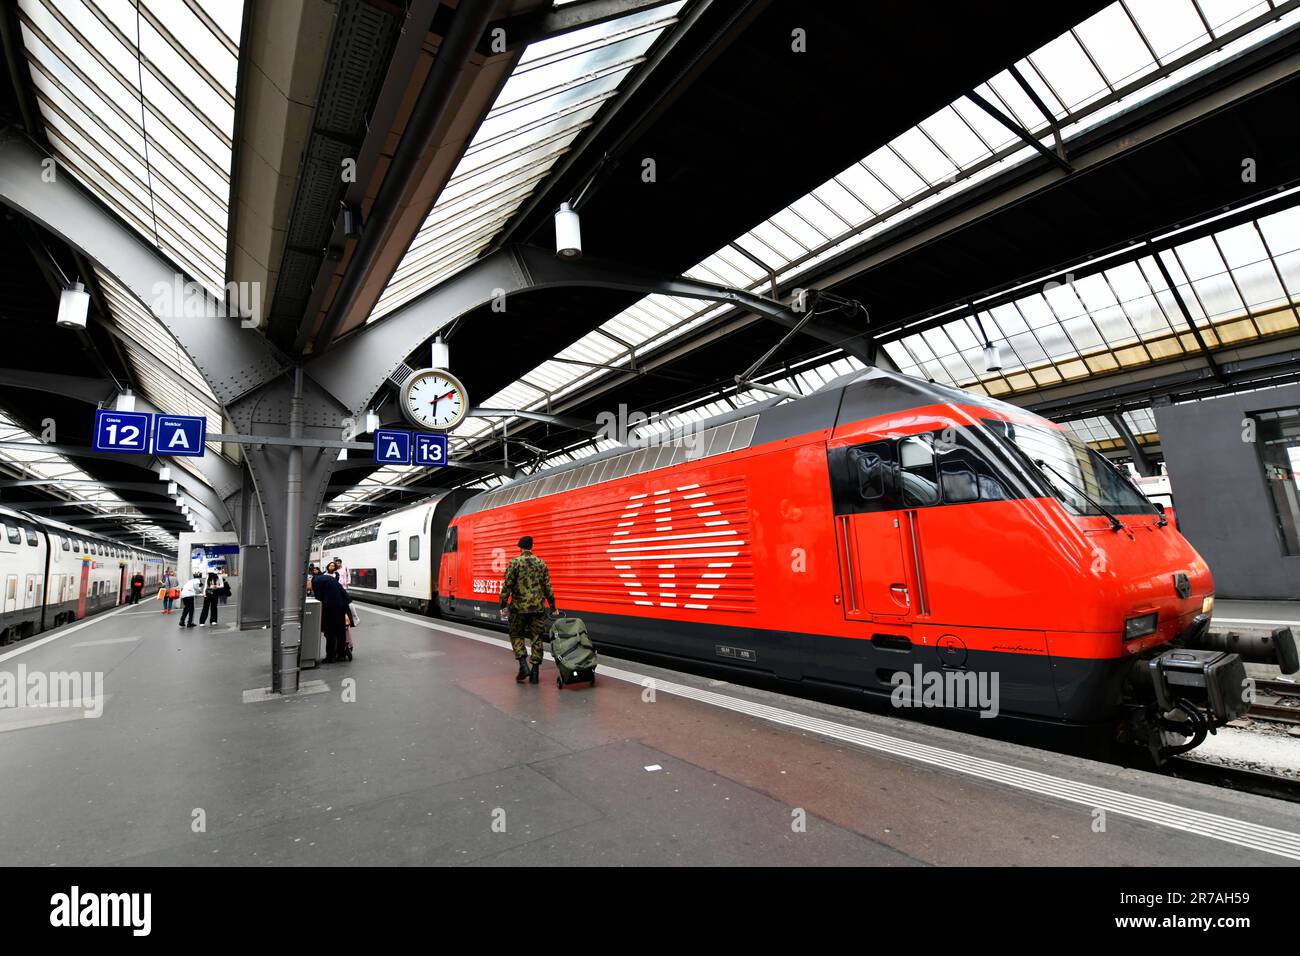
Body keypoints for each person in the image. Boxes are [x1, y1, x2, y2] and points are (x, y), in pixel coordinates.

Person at [498, 536, 557, 684]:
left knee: (516, 634)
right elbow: (547, 587)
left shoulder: (515, 563)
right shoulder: (541, 563)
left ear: (520, 547)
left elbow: (507, 586)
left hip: (519, 608)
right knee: (536, 637)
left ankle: (523, 666)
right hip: (538, 608)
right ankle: (535, 673)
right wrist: (553, 606)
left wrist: (503, 605)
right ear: (531, 547)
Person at [310, 565, 352, 663]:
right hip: (342, 605)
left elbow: (319, 597)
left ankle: (330, 657)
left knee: (330, 633)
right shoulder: (327, 578)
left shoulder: (315, 581)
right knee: (340, 631)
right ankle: (341, 655)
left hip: (331, 608)